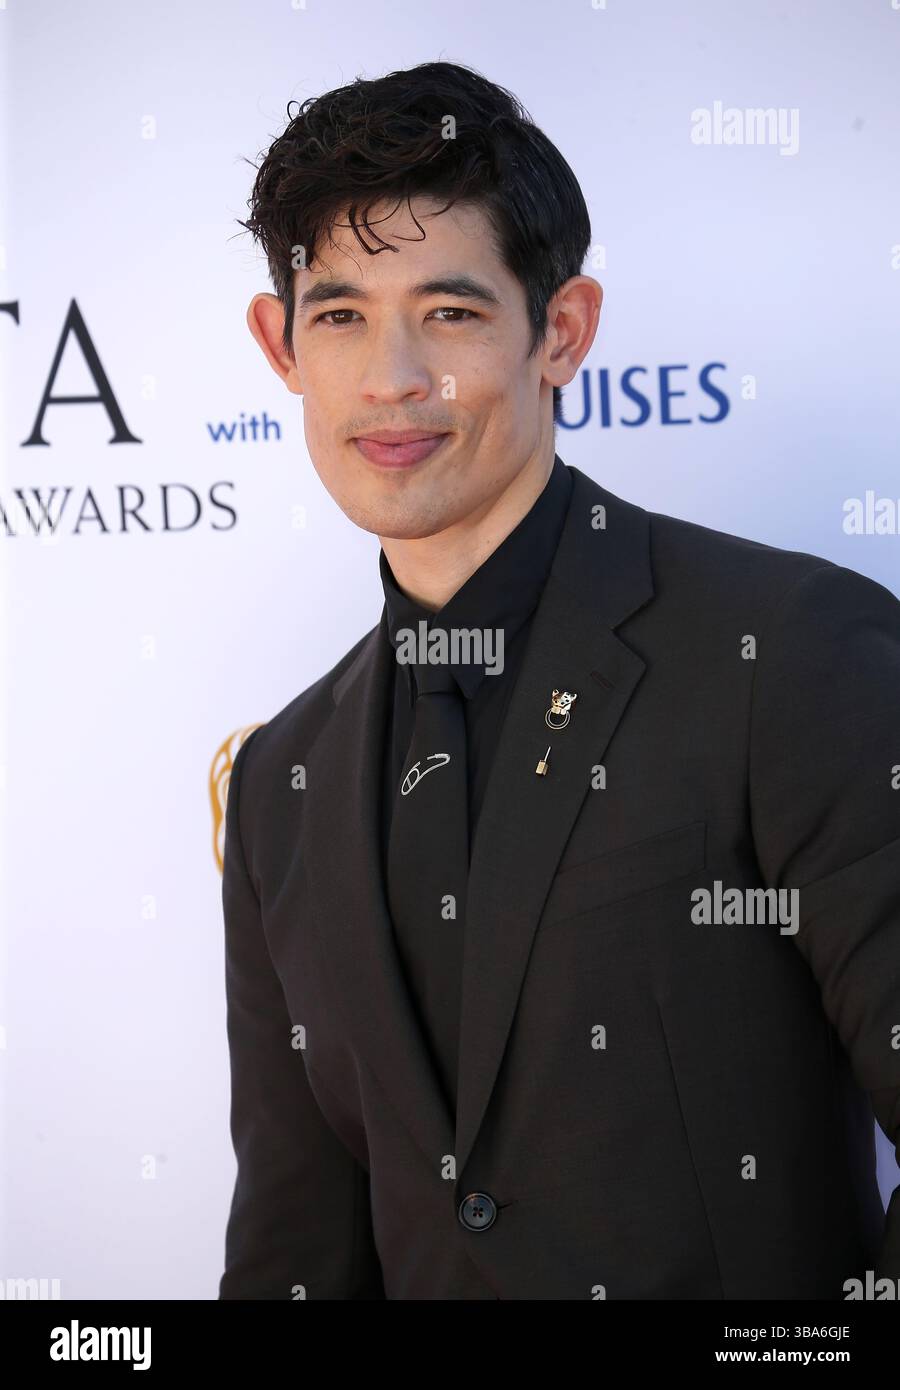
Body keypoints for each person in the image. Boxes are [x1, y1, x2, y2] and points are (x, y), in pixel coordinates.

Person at [218, 60, 899, 1299]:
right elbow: (293, 1249)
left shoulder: (792, 650)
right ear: (282, 345)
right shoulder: (280, 780)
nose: (391, 379)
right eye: (341, 316)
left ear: (563, 330)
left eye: (454, 312)